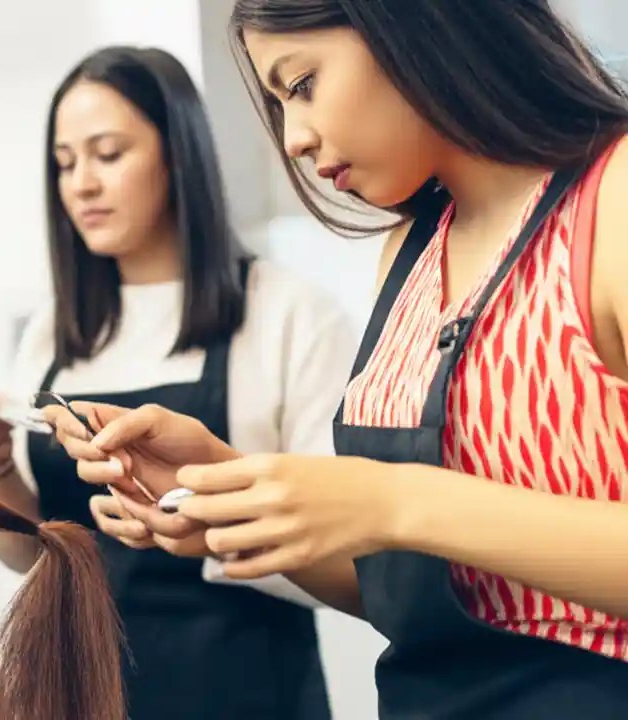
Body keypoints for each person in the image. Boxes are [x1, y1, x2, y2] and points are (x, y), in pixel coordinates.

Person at [47, 2, 628, 717]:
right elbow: (413, 591)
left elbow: (404, 512)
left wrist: (391, 499)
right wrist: (235, 502)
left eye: (302, 85)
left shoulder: (615, 200)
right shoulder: (410, 256)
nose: (293, 138)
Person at [0, 46, 356, 718]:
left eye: (108, 154)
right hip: (81, 693)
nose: (81, 184)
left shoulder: (288, 314)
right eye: (65, 162)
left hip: (247, 693)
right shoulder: (55, 330)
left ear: (178, 154)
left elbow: (341, 559)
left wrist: (206, 522)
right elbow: (29, 555)